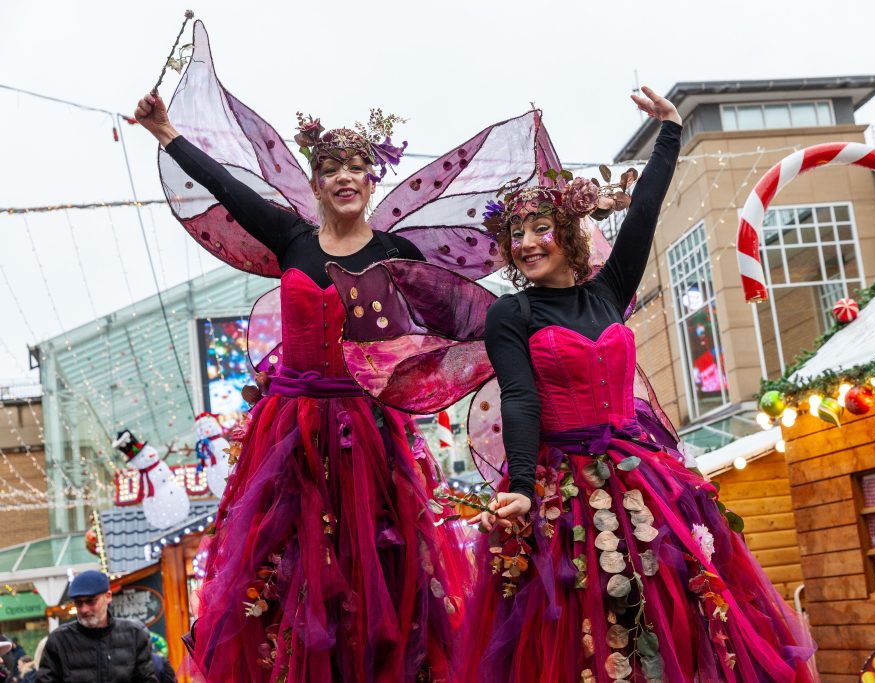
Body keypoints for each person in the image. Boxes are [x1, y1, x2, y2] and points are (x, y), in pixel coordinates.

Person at [465, 87, 817, 682]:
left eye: (540, 228)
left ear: (569, 233)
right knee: (586, 633)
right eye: (516, 234)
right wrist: (522, 487)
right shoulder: (512, 315)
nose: (525, 243)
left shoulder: (608, 291)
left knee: (682, 615)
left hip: (642, 474)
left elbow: (646, 211)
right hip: (564, 488)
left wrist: (671, 132)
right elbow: (520, 398)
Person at [133, 92, 465, 682]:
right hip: (289, 430)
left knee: (380, 569)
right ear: (315, 184)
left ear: (371, 179)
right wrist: (166, 133)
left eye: (354, 167)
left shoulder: (397, 253)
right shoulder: (292, 238)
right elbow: (228, 188)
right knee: (282, 568)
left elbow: (457, 321)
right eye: (330, 168)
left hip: (367, 430)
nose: (343, 177)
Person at [37, 570, 156, 683]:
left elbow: (146, 679)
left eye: (91, 601)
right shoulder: (59, 640)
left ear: (108, 597)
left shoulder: (134, 634)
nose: (84, 609)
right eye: (78, 603)